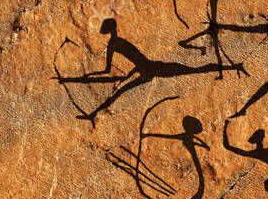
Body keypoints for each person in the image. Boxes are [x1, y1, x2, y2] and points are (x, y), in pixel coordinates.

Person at [57, 18, 245, 123]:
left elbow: (107, 70)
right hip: (148, 69)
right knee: (194, 70)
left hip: (152, 68)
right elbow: (136, 59)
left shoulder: (114, 44)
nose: (102, 30)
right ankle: (92, 114)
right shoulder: (118, 41)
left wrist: (83, 78)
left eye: (104, 27)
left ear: (109, 28)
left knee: (194, 70)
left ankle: (232, 66)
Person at [121, 115, 208, 199]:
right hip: (196, 195)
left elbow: (167, 136)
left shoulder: (187, 137)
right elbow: (169, 137)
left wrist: (147, 136)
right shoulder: (191, 139)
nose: (187, 126)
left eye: (189, 125)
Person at [149, 0, 238, 78]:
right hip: (212, 25)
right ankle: (204, 52)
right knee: (185, 44)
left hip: (214, 26)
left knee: (217, 52)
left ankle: (221, 73)